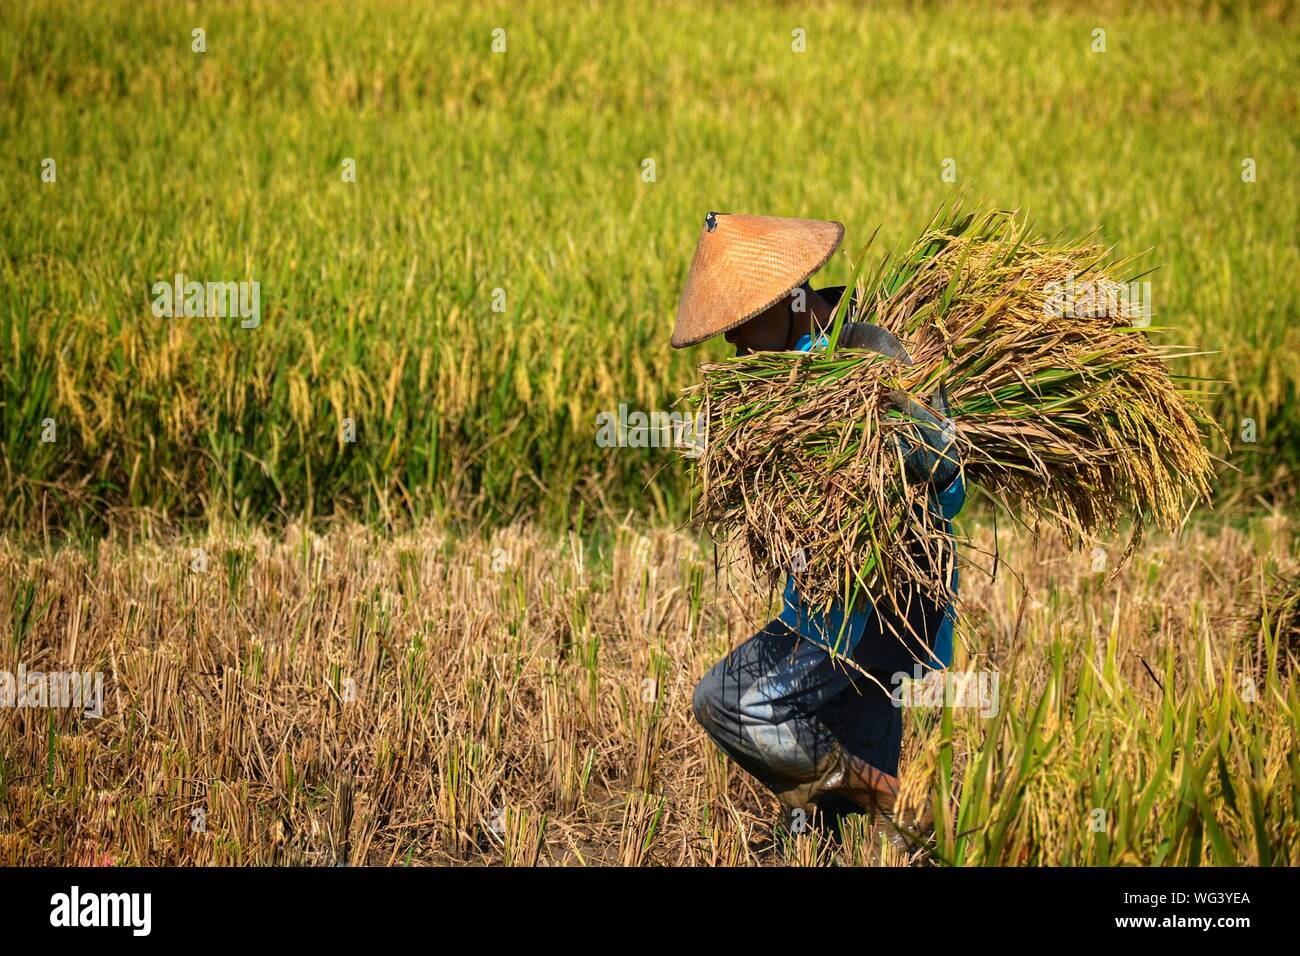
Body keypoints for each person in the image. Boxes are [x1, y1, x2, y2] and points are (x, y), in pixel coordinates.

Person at [672, 212, 965, 836]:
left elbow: (951, 476)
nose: (732, 346)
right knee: (830, 828)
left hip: (885, 604)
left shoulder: (872, 352)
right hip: (820, 604)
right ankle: (896, 815)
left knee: (738, 707)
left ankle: (904, 808)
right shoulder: (772, 380)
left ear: (787, 301)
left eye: (738, 325)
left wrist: (884, 444)